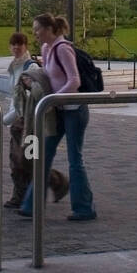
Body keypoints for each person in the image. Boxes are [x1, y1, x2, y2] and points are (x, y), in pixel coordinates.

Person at [18, 13, 96, 221]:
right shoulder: (46, 49)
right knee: (44, 154)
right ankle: (31, 204)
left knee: (74, 159)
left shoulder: (63, 48)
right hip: (58, 110)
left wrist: (53, 98)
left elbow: (74, 80)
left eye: (37, 29)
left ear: (49, 29)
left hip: (74, 109)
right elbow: (50, 76)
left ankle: (84, 208)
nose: (34, 33)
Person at [3, 32, 67, 207]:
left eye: (20, 44)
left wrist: (8, 117)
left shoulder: (30, 67)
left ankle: (57, 182)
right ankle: (20, 196)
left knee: (28, 161)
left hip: (29, 122)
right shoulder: (13, 67)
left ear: (26, 46)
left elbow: (38, 93)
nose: (16, 48)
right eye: (13, 44)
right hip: (18, 121)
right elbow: (15, 98)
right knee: (16, 160)